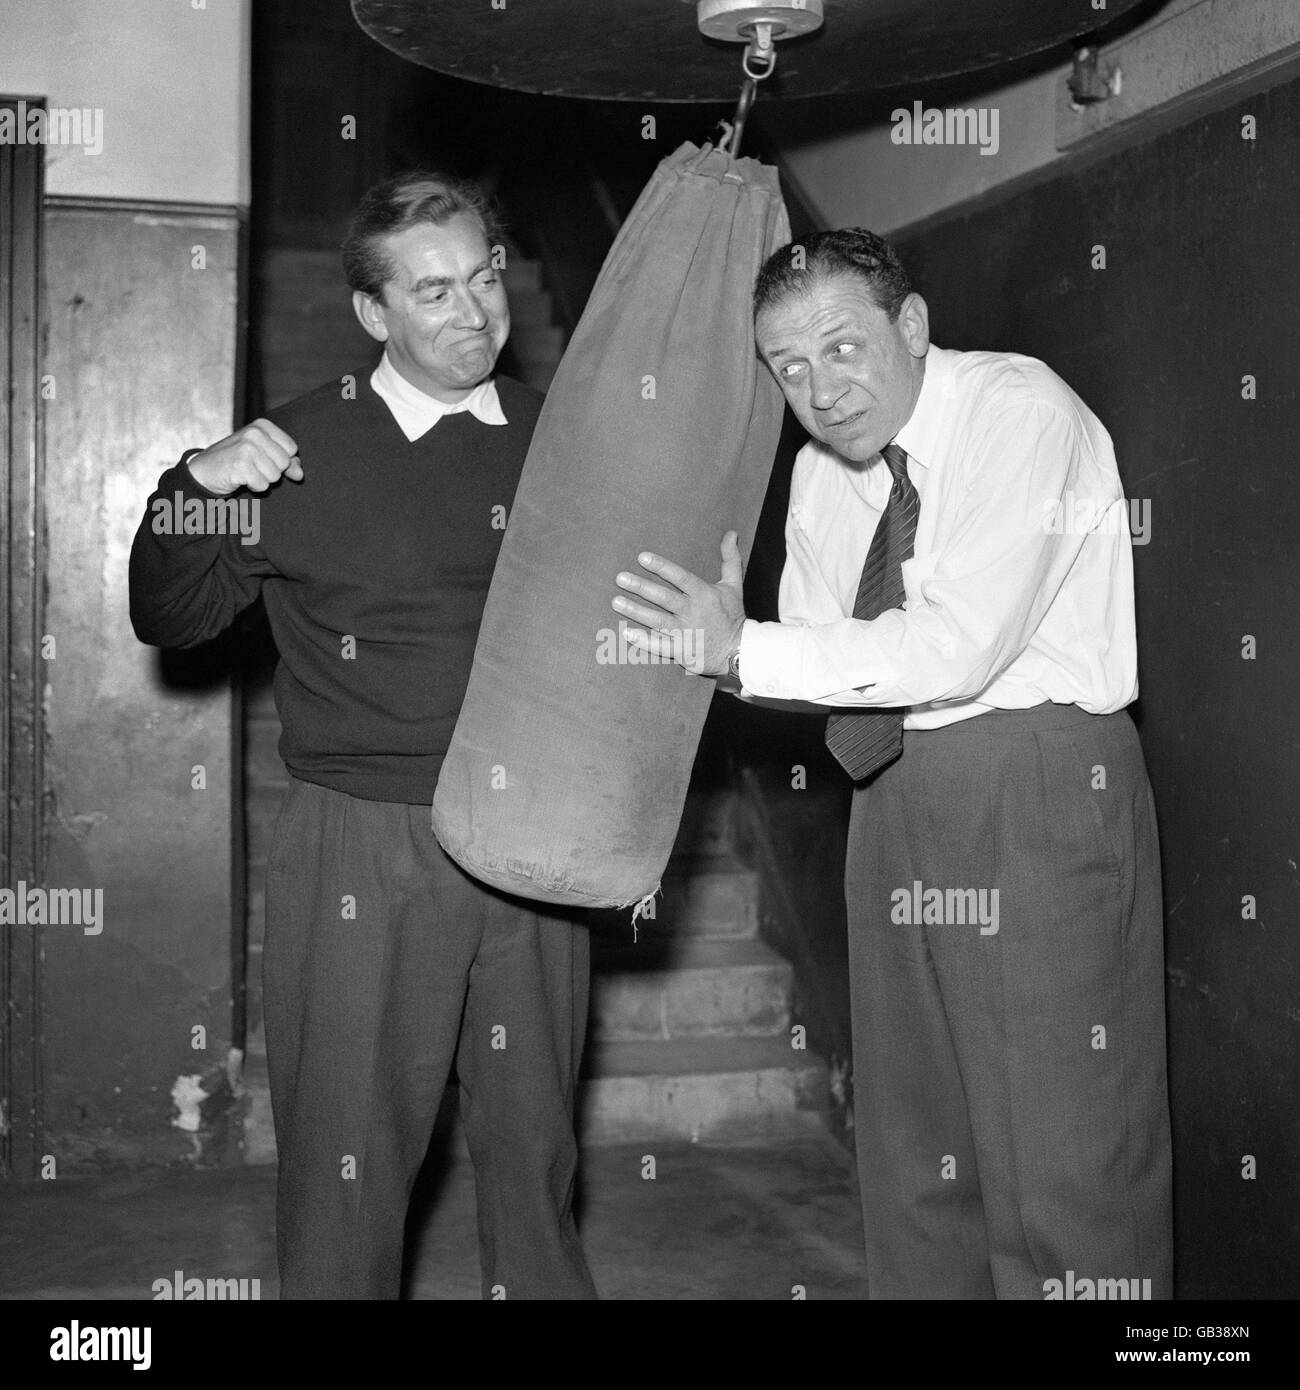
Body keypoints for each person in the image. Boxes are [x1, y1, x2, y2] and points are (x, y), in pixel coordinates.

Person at [612, 228, 1172, 1300]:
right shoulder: (825, 473)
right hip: (891, 791)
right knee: (915, 1158)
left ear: (910, 325)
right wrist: (739, 648)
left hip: (1034, 783)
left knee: (1063, 1158)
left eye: (840, 347)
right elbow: (837, 660)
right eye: (789, 367)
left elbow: (955, 647)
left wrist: (743, 648)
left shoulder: (1020, 411)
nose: (819, 389)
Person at [130, 171, 597, 1301]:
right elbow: (170, 615)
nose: (474, 309)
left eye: (484, 275)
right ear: (373, 315)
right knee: (350, 1163)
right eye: (432, 290)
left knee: (534, 1154)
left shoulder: (564, 436)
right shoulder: (295, 446)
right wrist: (190, 489)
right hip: (360, 844)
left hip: (534, 836)